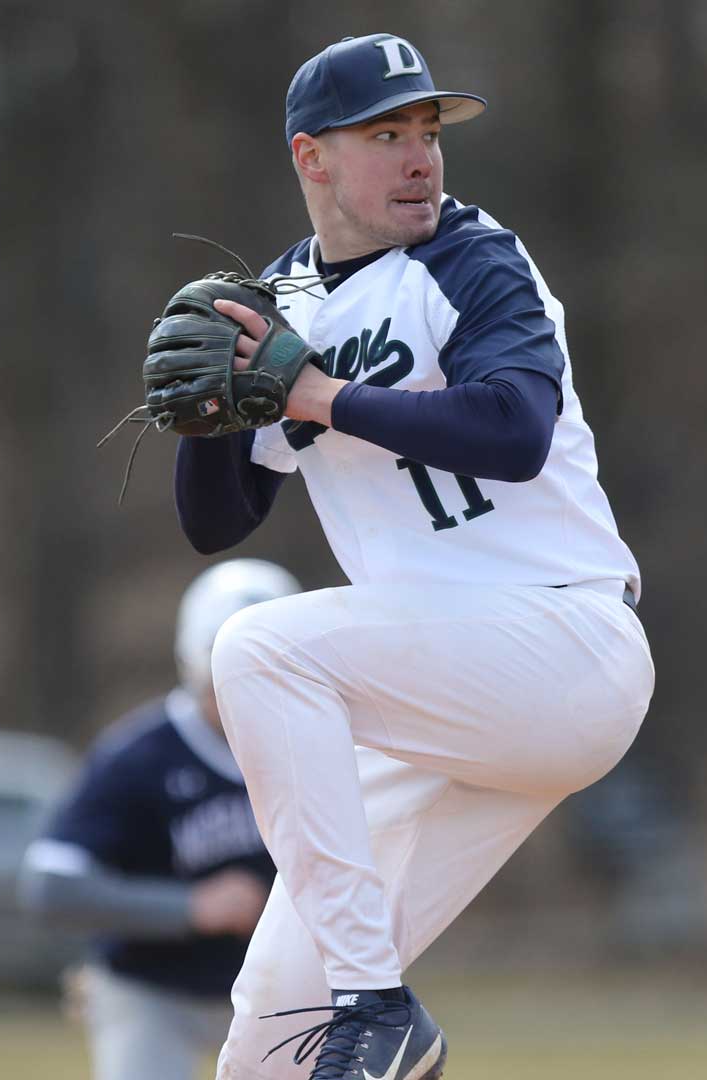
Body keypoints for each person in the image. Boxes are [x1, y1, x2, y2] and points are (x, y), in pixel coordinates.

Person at [171, 32, 655, 1080]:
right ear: (312, 159)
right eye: (384, 134)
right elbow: (219, 523)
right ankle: (364, 1013)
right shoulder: (279, 304)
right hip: (435, 702)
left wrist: (316, 397)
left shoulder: (475, 259)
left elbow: (514, 428)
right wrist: (208, 417)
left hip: (562, 642)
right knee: (267, 1046)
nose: (420, 157)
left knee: (257, 648)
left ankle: (377, 1003)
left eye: (427, 131)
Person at [19, 559, 298, 1080]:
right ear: (194, 665)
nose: (244, 698)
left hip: (280, 990)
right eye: (227, 676)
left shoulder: (321, 748)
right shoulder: (139, 757)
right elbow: (49, 886)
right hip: (151, 987)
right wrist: (190, 907)